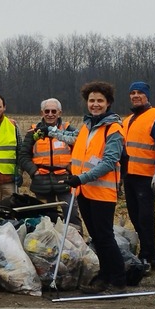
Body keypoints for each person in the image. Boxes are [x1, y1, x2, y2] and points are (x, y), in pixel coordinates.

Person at [50, 81, 127, 294]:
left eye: (99, 101)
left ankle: (118, 280)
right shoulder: (87, 126)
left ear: (108, 103)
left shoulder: (113, 129)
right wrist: (54, 133)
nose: (95, 104)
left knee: (105, 236)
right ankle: (105, 276)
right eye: (92, 100)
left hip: (101, 192)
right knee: (96, 237)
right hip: (84, 191)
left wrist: (81, 178)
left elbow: (109, 161)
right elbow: (77, 145)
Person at [120, 82, 155, 271]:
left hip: (147, 177)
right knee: (135, 216)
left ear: (147, 96)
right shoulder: (127, 120)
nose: (135, 96)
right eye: (132, 92)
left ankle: (147, 255)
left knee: (145, 217)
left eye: (140, 93)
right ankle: (152, 255)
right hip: (130, 176)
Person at [19, 97, 82, 231]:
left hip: (65, 181)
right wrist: (33, 171)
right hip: (41, 181)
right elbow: (23, 155)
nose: (50, 114)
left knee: (72, 217)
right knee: (46, 219)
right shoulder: (33, 131)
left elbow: (80, 151)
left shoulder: (68, 130)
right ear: (42, 113)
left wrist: (72, 169)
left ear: (60, 113)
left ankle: (77, 245)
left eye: (54, 111)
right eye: (47, 111)